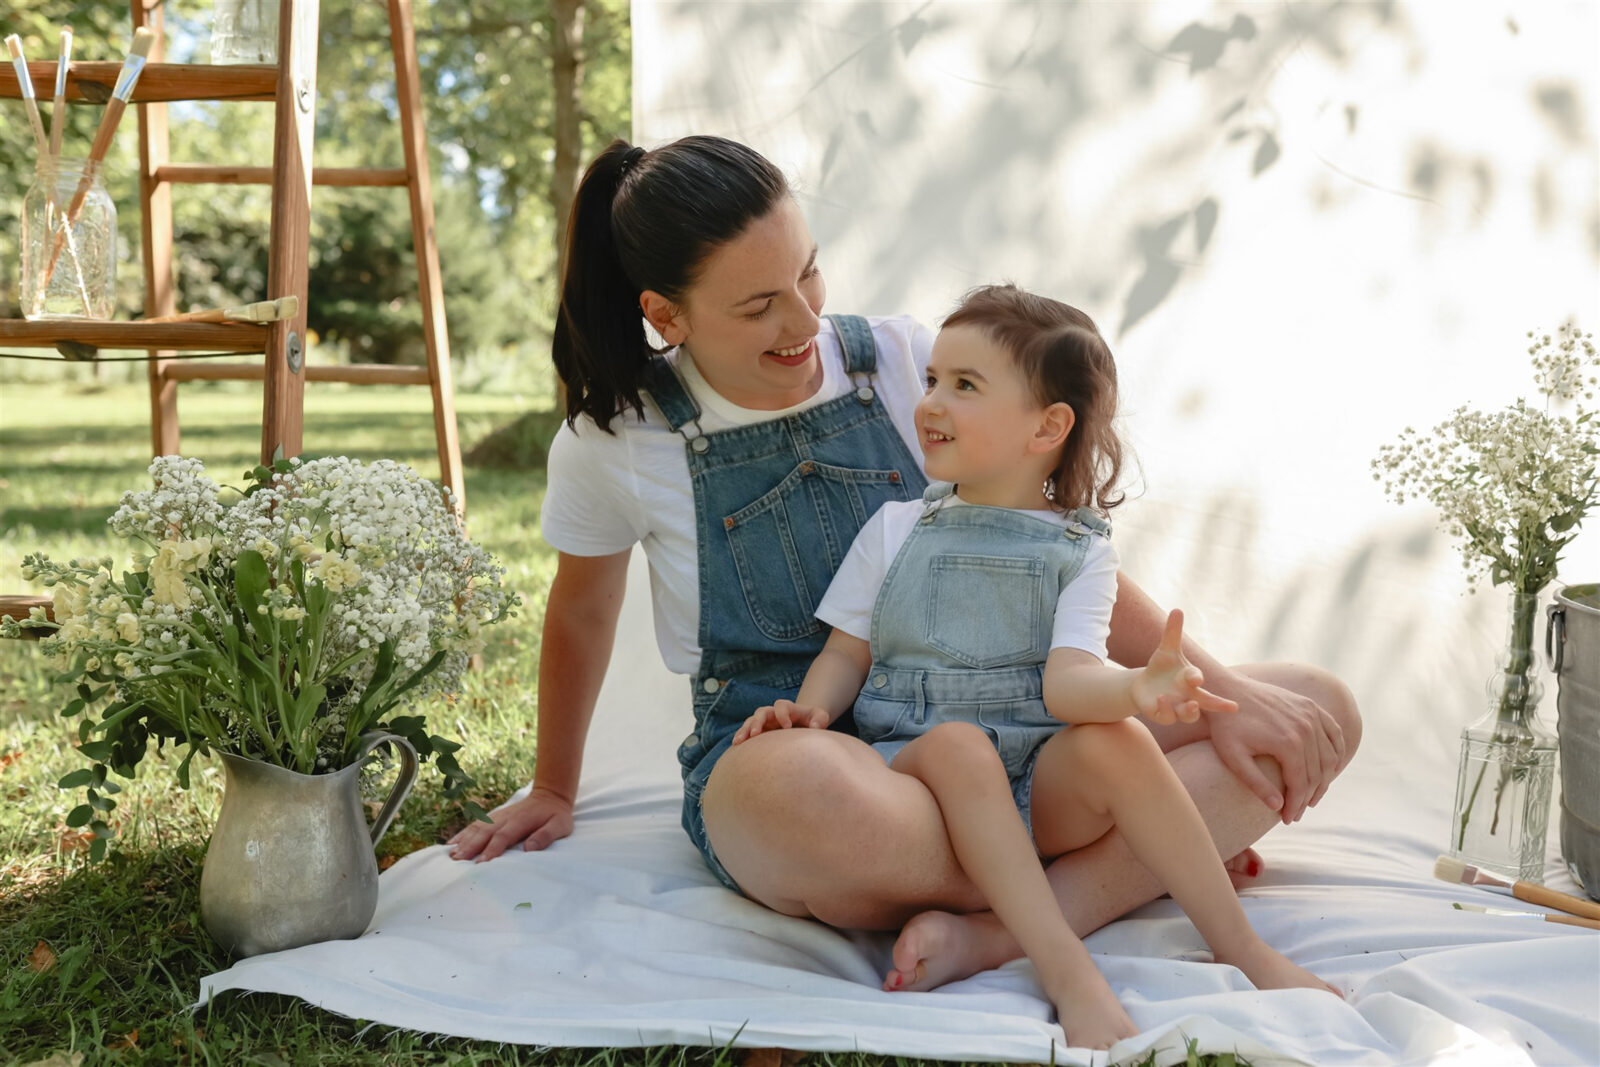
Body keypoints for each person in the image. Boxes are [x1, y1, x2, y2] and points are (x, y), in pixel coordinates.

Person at [447, 135, 1363, 999]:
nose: (804, 319)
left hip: (1007, 725)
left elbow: (1048, 551)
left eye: (808, 272)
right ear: (665, 314)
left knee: (1314, 707)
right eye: (759, 306)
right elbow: (581, 611)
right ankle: (1137, 856)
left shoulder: (903, 362)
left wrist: (1233, 691)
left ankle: (1007, 925)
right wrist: (554, 787)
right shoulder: (618, 440)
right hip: (812, 752)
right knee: (800, 798)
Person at [727, 285, 1340, 1047]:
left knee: (1119, 741)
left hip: (1036, 775)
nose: (930, 401)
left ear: (1047, 427)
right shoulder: (896, 527)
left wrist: (1137, 689)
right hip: (917, 767)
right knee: (961, 746)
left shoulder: (1081, 552)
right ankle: (1068, 972)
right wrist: (813, 710)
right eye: (932, 379)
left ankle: (1241, 945)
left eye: (964, 384)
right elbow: (847, 650)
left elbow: (1068, 684)